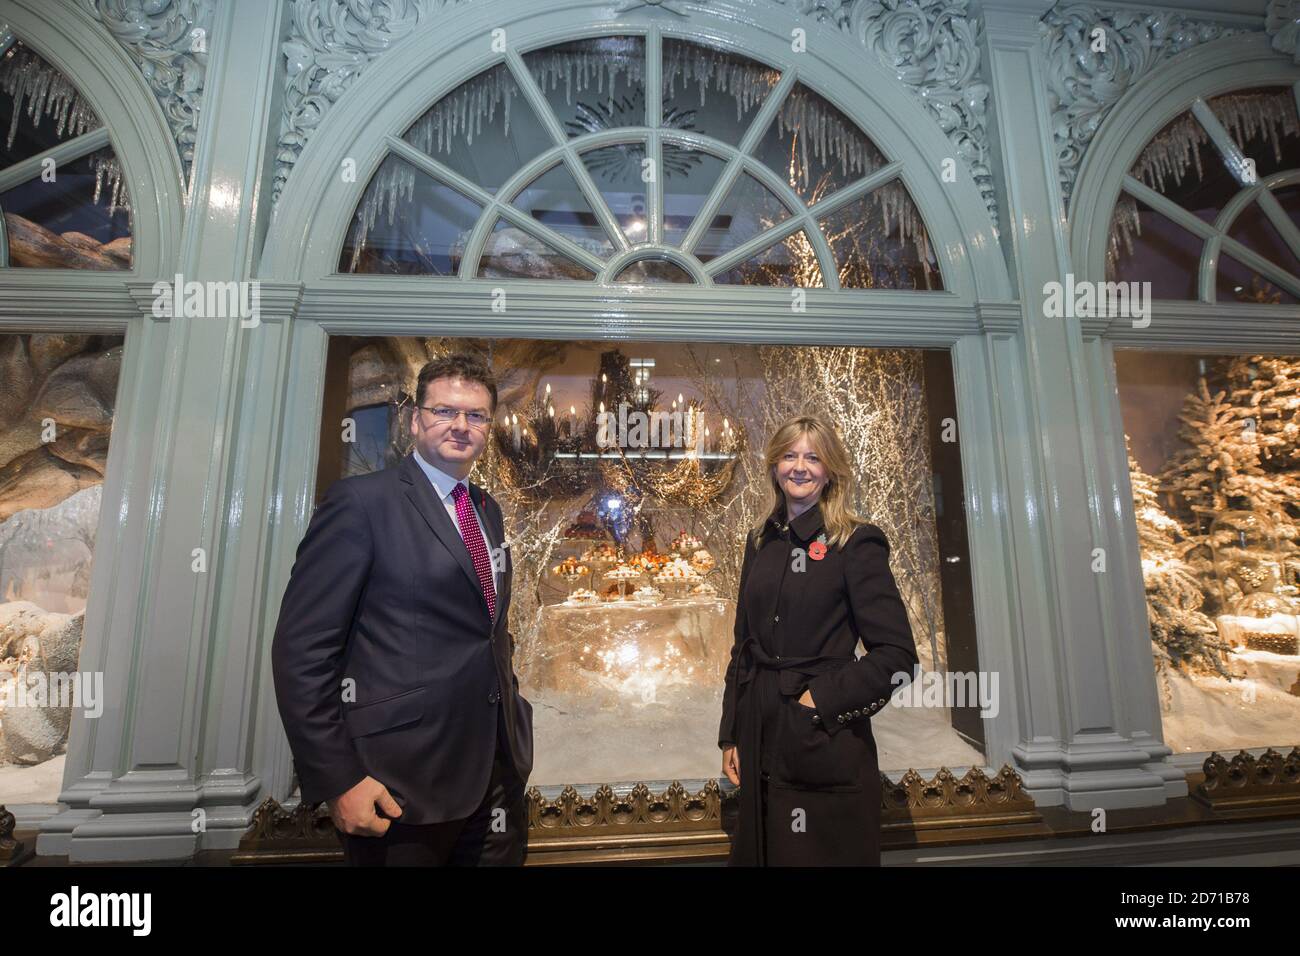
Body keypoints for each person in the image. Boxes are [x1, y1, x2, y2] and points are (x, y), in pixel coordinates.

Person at [271, 353, 532, 866]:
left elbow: (486, 632)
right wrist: (339, 778)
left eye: (476, 415)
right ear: (415, 420)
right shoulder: (360, 503)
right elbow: (301, 651)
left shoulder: (485, 509)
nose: (461, 425)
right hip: (398, 785)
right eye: (444, 411)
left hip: (496, 776)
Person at [718, 412, 918, 866]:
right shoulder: (759, 542)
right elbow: (742, 646)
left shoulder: (857, 542)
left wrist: (818, 701)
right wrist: (730, 734)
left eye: (813, 457)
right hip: (757, 737)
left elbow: (898, 657)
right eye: (789, 455)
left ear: (830, 471)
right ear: (774, 466)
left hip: (824, 742)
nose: (800, 467)